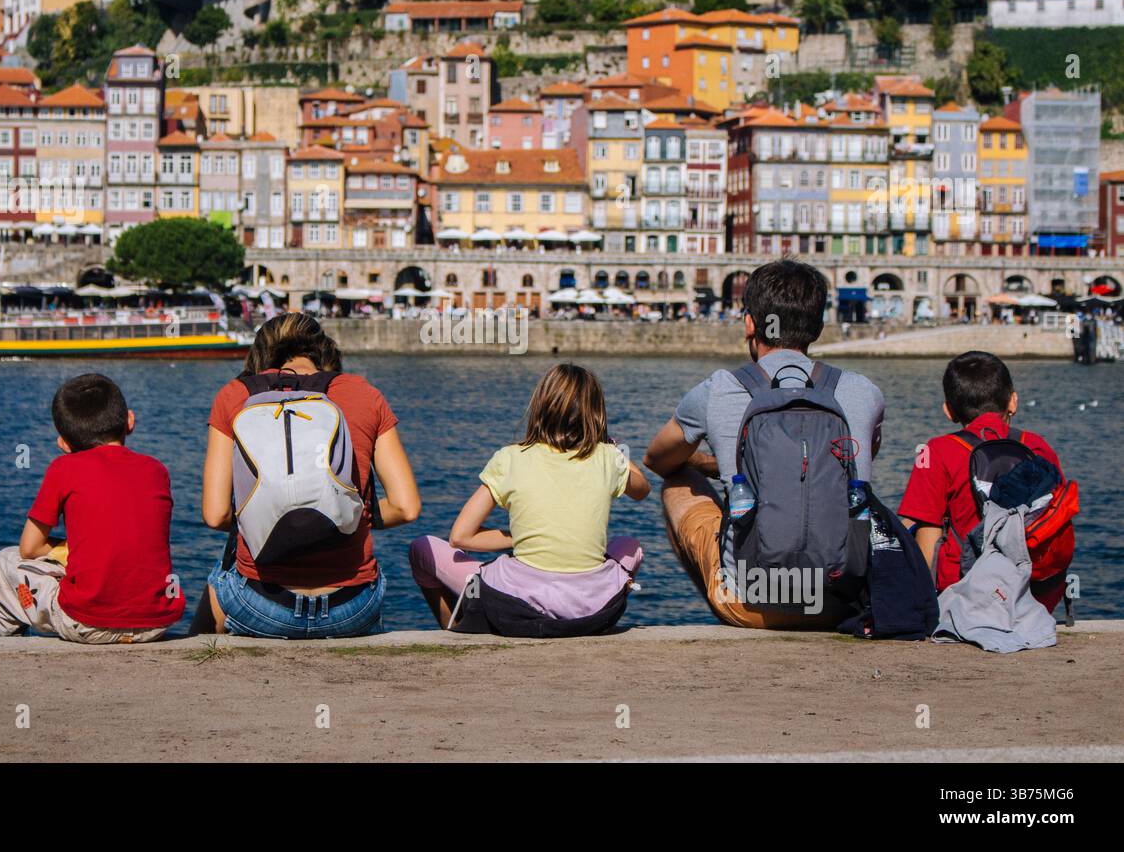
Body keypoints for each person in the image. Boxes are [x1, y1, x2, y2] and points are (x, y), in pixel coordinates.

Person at [643, 258, 885, 629]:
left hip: (749, 604)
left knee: (674, 483)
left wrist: (716, 465)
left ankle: (729, 591)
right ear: (818, 327)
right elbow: (856, 466)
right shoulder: (864, 393)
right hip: (841, 603)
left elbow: (657, 460)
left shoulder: (720, 388)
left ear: (750, 324)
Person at [199, 312, 420, 638]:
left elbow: (216, 515)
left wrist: (271, 518)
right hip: (351, 608)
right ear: (322, 349)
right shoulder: (363, 393)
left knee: (224, 568)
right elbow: (406, 507)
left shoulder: (236, 396)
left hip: (263, 606)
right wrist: (340, 514)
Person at [409, 363, 649, 632]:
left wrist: (527, 538)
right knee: (631, 545)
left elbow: (460, 537)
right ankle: (582, 616)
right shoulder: (608, 457)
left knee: (422, 548)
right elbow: (642, 490)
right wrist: (610, 448)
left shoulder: (510, 458)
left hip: (517, 601)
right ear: (596, 413)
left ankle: (451, 627)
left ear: (541, 406)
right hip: (591, 605)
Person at [0, 374, 185, 642]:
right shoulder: (156, 470)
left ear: (64, 444)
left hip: (85, 622)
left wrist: (68, 548)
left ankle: (11, 651)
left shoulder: (63, 468)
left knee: (3, 562)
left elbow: (30, 548)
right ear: (130, 421)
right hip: (156, 623)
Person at [898, 351, 1070, 614]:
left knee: (920, 523)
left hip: (963, 596)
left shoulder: (937, 450)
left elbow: (923, 533)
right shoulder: (1037, 446)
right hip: (1035, 596)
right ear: (1013, 402)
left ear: (949, 410)